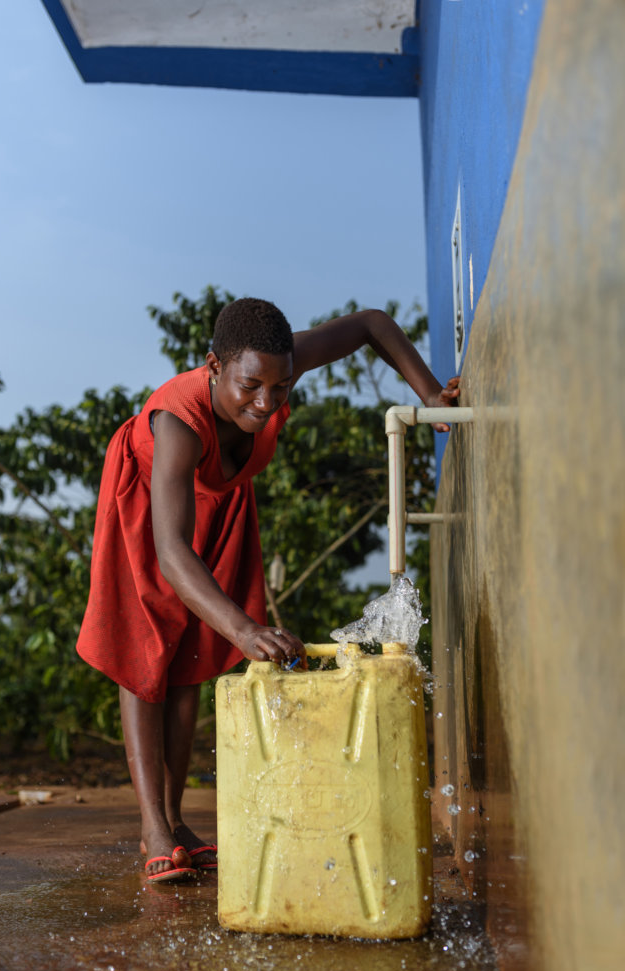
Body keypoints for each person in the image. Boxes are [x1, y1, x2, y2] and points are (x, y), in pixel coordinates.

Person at [77, 299, 460, 883]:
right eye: (249, 387)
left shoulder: (275, 366)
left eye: (279, 388)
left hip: (221, 503)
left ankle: (177, 822)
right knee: (146, 654)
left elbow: (370, 325)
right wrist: (246, 628)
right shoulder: (177, 424)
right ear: (214, 366)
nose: (265, 402)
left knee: (190, 662)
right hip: (149, 508)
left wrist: (430, 396)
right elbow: (172, 553)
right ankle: (152, 826)